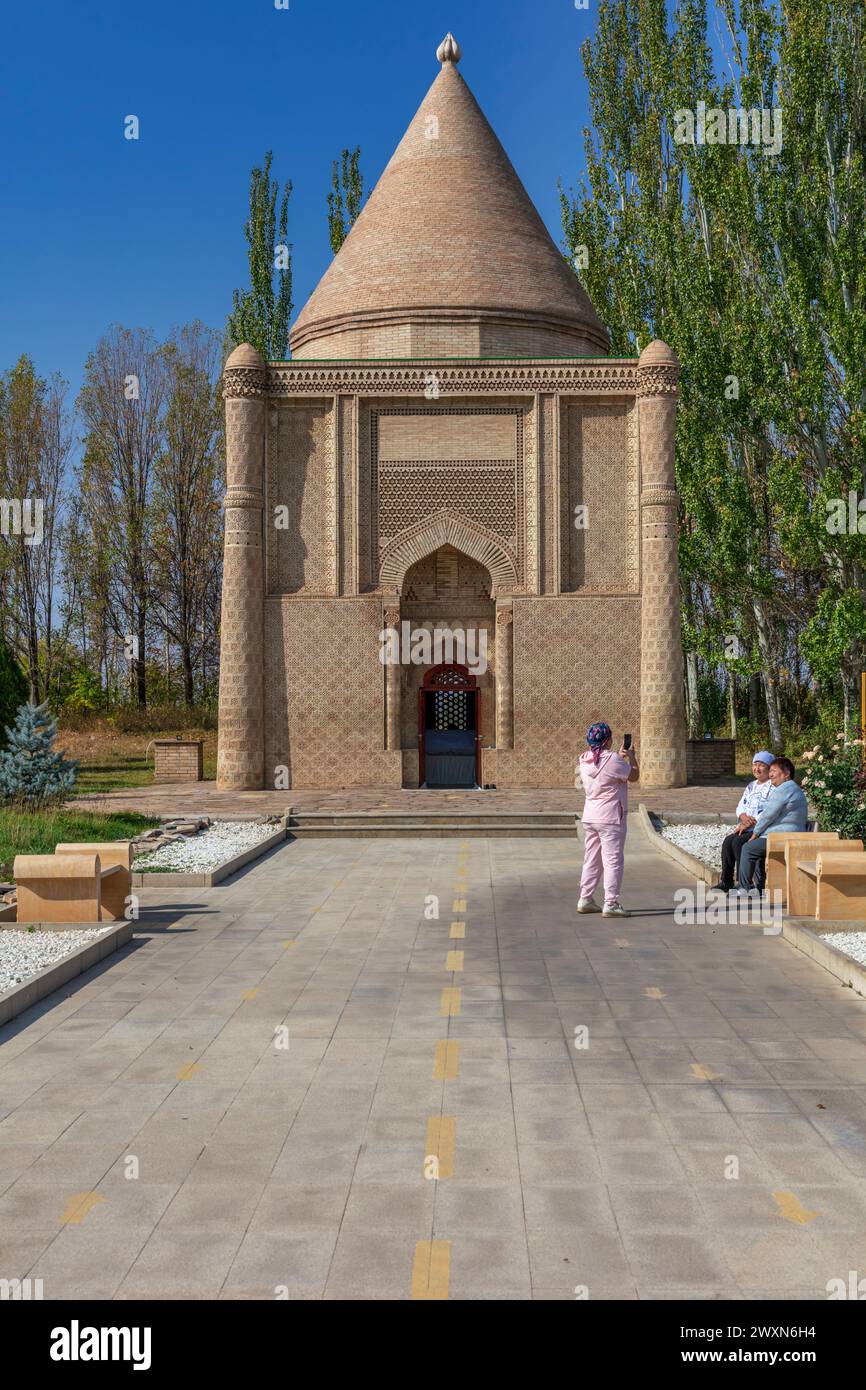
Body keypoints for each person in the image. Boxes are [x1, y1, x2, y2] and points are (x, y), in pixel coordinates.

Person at [576, 721, 639, 918]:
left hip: (591, 816)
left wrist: (619, 758)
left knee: (591, 859)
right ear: (607, 740)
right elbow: (634, 776)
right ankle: (610, 903)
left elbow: (603, 767)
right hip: (611, 817)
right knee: (612, 860)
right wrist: (632, 758)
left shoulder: (584, 759)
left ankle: (585, 898)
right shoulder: (613, 759)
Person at [737, 755, 808, 892]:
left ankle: (745, 888)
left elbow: (768, 814)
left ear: (786, 773)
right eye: (770, 771)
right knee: (754, 848)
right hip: (784, 834)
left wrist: (756, 833)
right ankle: (759, 886)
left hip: (784, 836)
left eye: (774, 771)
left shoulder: (785, 789)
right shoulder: (790, 788)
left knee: (748, 848)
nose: (770, 775)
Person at [711, 751, 775, 893]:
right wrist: (743, 816)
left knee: (738, 842)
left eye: (761, 765)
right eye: (755, 765)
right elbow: (741, 805)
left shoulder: (773, 786)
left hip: (761, 829)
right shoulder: (751, 786)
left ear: (770, 768)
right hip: (747, 826)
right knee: (728, 841)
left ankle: (744, 883)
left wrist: (751, 822)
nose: (757, 768)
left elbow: (770, 810)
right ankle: (726, 881)